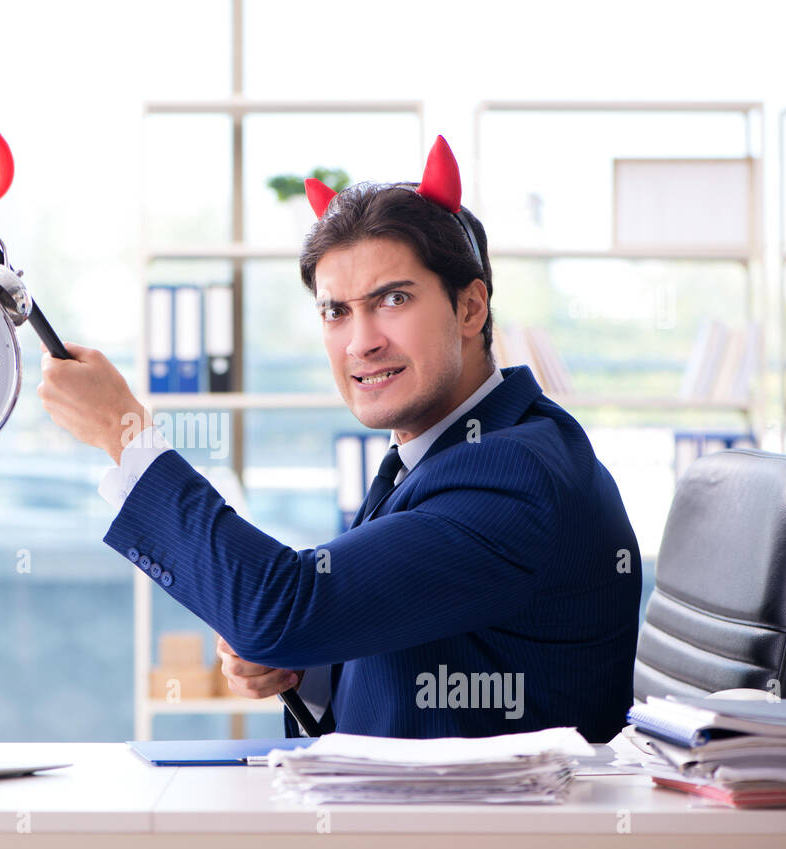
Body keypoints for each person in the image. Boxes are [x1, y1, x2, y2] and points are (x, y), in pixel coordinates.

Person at [37, 136, 641, 743]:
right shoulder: (442, 451)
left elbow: (279, 606)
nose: (361, 342)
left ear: (471, 308)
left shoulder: (513, 471)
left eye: (393, 300)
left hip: (485, 832)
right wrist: (304, 668)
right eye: (336, 312)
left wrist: (126, 435)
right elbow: (400, 635)